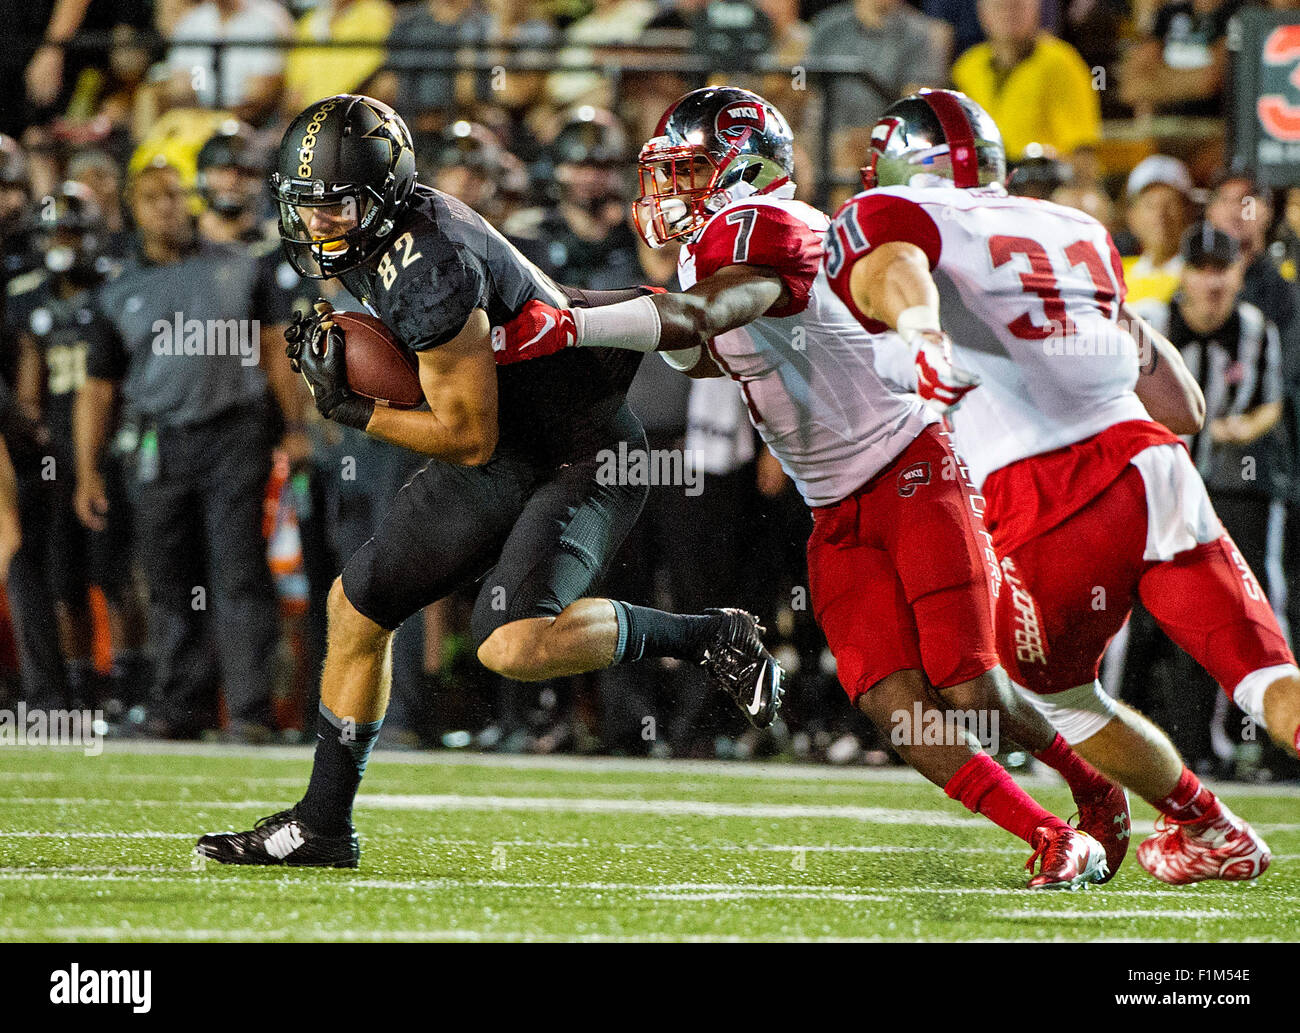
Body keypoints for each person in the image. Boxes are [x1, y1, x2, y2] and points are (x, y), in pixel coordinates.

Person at [491, 86, 1126, 890]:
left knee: (971, 682)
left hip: (912, 468)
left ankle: (1096, 790)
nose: (673, 189)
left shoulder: (771, 222)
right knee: (893, 701)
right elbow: (704, 351)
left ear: (745, 168)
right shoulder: (710, 248)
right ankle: (1048, 834)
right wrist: (631, 326)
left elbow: (704, 316)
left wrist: (576, 319)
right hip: (833, 505)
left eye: (691, 169)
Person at [196, 95, 782, 868]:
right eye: (306, 205)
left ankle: (712, 634)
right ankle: (323, 823)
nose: (317, 223)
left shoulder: (430, 269)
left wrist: (354, 408)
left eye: (336, 206)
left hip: (578, 451)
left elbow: (464, 437)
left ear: (381, 198)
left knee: (512, 644)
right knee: (356, 607)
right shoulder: (384, 232)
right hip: (508, 439)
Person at [823, 88, 1299, 884]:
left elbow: (893, 264)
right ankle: (1213, 833)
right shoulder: (1074, 227)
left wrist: (922, 334)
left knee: (1052, 698)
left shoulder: (892, 218)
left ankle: (1206, 820)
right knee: (1269, 682)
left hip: (1047, 488)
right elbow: (1182, 407)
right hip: (1154, 465)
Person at [74, 157, 290, 742]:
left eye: (175, 195)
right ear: (132, 209)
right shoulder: (117, 288)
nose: (167, 207)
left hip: (235, 433)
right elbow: (98, 389)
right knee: (170, 578)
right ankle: (182, 707)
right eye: (153, 198)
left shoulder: (241, 266)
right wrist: (87, 471)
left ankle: (250, 712)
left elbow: (276, 349)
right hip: (158, 441)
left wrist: (296, 425)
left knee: (238, 570)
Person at [952, 0, 1100, 162]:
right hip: (983, 173)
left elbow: (1082, 150)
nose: (1008, 12)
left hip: (1041, 172)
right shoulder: (967, 67)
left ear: (1036, 8)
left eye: (1017, 5)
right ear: (982, 12)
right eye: (999, 6)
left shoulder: (1061, 62)